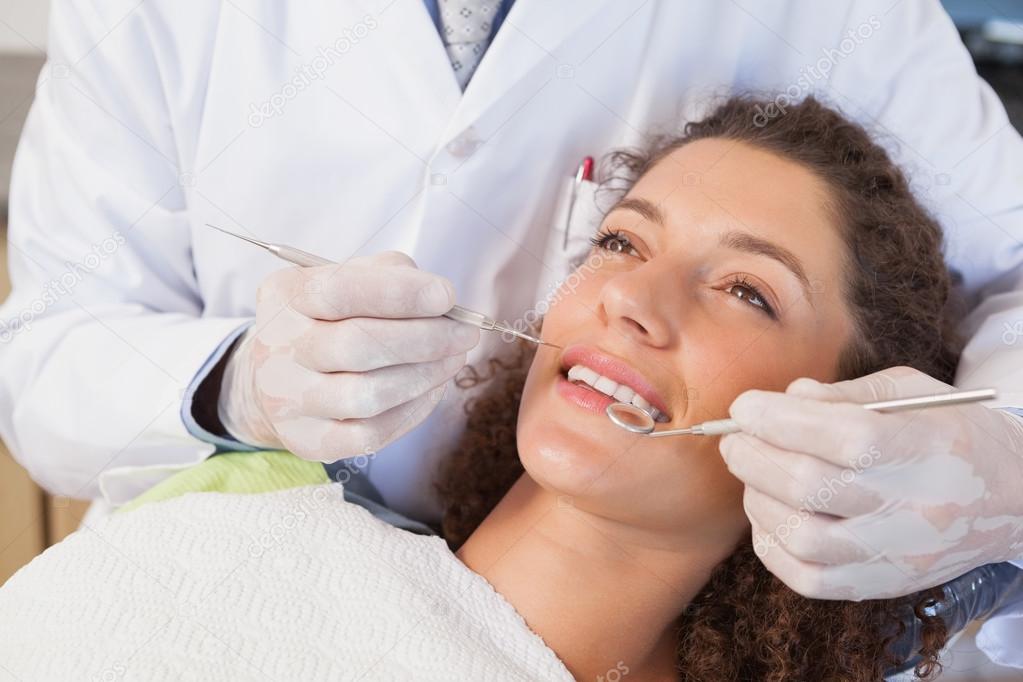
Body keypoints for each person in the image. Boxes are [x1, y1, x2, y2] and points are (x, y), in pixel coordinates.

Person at [1, 0, 1022, 663]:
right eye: (617, 240)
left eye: (749, 292)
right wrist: (238, 386)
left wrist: (1006, 464)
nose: (628, 300)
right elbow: (44, 355)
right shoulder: (158, 602)